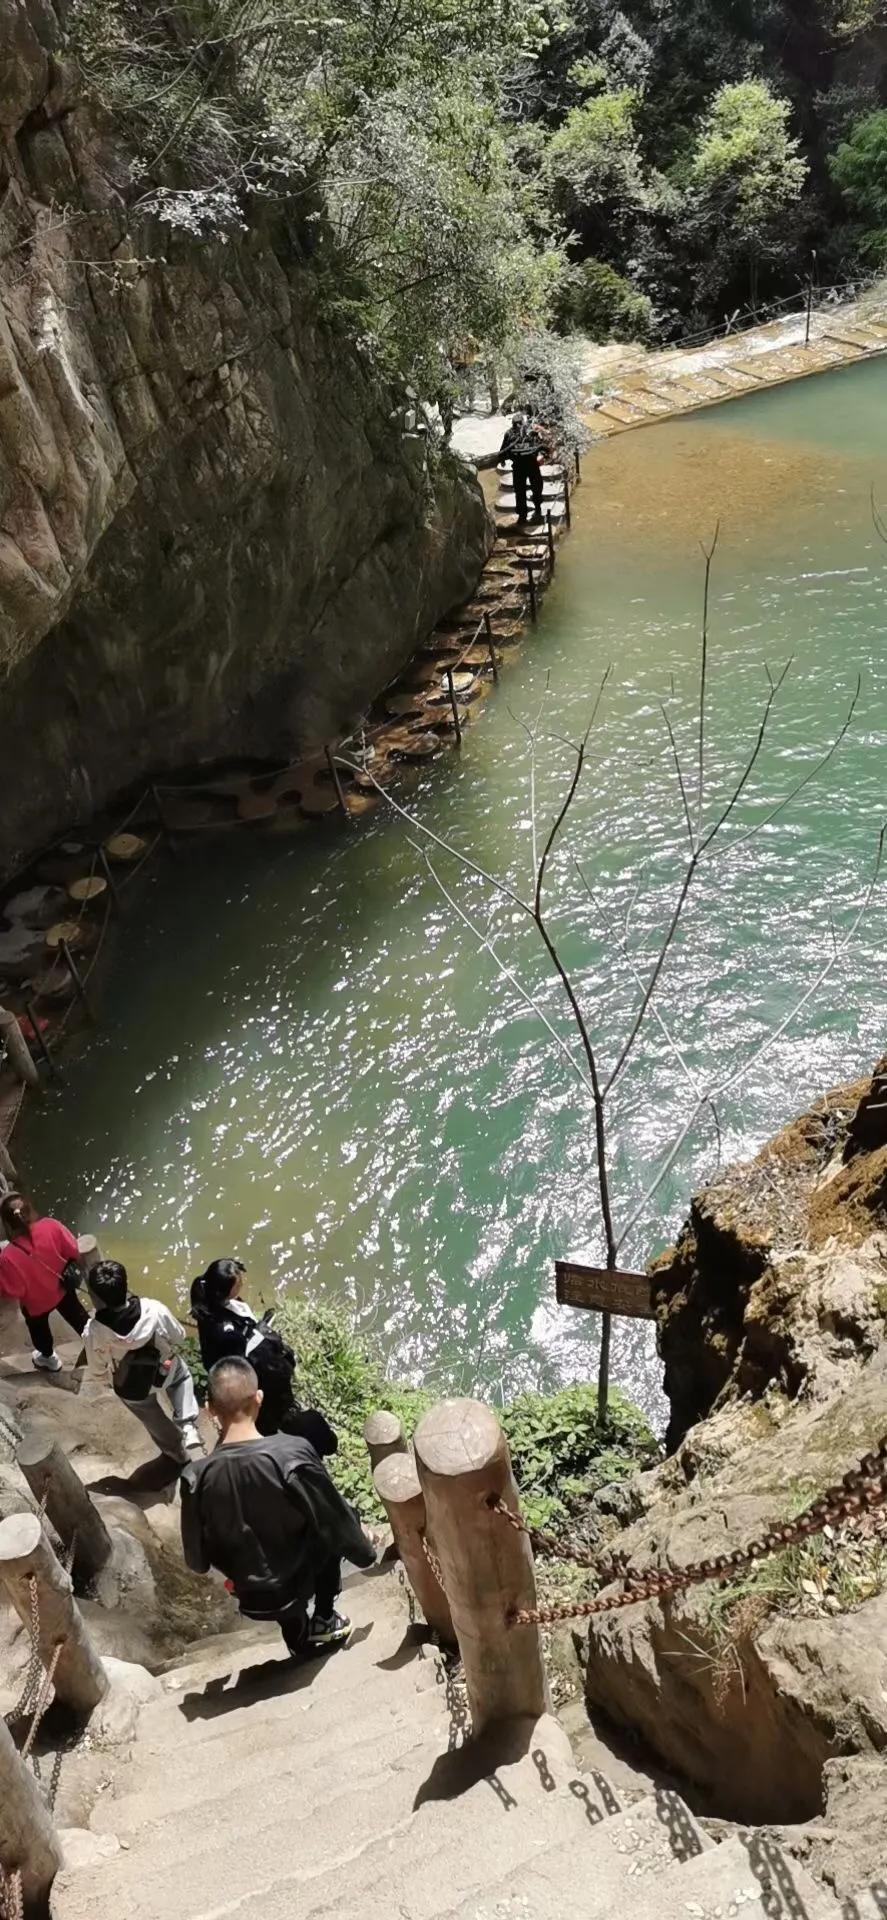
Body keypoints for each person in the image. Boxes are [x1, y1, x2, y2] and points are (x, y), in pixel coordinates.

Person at [181, 1356, 376, 1655]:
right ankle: (324, 1617)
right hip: (301, 1580)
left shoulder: (195, 1478)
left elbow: (197, 1562)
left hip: (250, 1595)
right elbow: (334, 1522)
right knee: (335, 1517)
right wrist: (364, 1550)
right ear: (258, 1399)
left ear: (209, 1411)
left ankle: (296, 1635)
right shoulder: (292, 1454)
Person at [189, 1258, 336, 1452]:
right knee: (266, 1420)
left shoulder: (212, 1302)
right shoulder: (224, 1330)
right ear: (225, 1291)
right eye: (238, 1282)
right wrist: (263, 1337)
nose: (243, 1283)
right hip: (244, 1376)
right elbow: (246, 1355)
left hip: (244, 1373)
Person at [84, 1259, 201, 1466]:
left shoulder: (94, 1331)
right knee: (181, 1376)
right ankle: (187, 1423)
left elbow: (97, 1369)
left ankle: (178, 1453)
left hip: (132, 1386)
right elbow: (180, 1336)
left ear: (96, 1299)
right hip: (164, 1370)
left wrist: (106, 1376)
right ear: (125, 1286)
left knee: (152, 1417)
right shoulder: (153, 1309)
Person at [0, 1191, 89, 1372]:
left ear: (7, 1224)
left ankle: (49, 1358)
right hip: (63, 1288)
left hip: (35, 1304)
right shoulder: (51, 1226)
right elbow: (73, 1250)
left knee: (39, 1330)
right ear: (30, 1211)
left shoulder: (7, 1257)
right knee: (77, 1315)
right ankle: (96, 1345)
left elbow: (13, 1290)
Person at [499, 412, 546, 526]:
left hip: (530, 464)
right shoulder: (510, 434)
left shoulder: (530, 432)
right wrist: (503, 459)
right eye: (517, 424)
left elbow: (541, 445)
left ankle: (537, 510)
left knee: (535, 488)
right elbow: (503, 450)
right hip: (520, 466)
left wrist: (542, 454)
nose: (519, 426)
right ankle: (523, 515)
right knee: (521, 491)